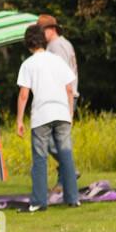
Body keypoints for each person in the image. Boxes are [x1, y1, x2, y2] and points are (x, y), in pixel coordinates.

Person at [16, 22, 79, 211]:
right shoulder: (57, 60)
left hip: (42, 115)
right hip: (61, 113)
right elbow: (69, 88)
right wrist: (70, 113)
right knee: (66, 156)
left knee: (40, 159)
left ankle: (38, 202)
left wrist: (19, 120)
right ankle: (73, 199)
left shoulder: (28, 64)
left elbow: (24, 95)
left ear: (28, 43)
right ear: (44, 40)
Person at [38, 12, 81, 183]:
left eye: (42, 31)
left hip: (63, 99)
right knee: (58, 141)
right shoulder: (62, 44)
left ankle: (70, 170)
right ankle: (64, 182)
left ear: (51, 30)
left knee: (51, 142)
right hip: (64, 98)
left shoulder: (56, 47)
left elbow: (65, 77)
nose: (40, 35)